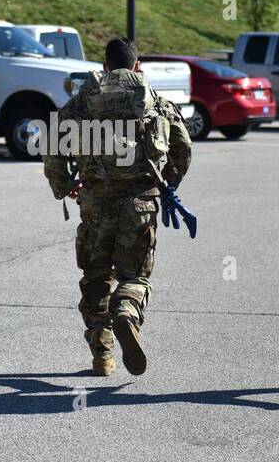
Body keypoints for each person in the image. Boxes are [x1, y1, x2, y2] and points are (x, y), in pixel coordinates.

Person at [43, 38, 192, 376]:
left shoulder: (82, 104)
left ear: (106, 66)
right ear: (137, 66)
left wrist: (65, 185)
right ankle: (126, 312)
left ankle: (102, 355)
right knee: (134, 275)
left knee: (96, 277)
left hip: (95, 204)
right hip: (140, 204)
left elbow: (51, 146)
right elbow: (183, 148)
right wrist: (166, 184)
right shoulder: (156, 103)